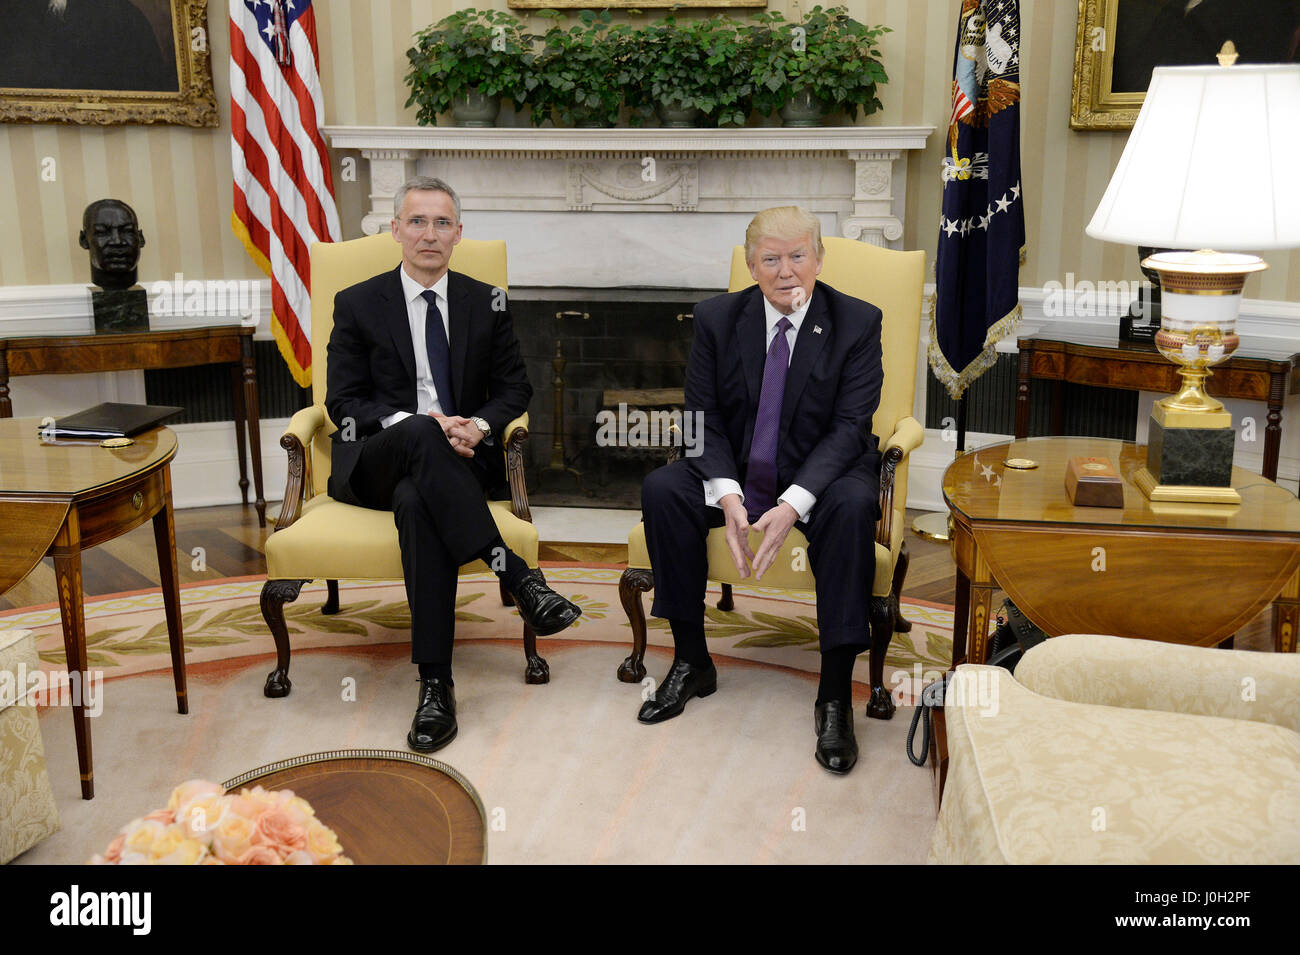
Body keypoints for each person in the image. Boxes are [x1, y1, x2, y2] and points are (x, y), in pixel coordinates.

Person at [325, 175, 581, 753]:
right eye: (417, 221)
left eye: (443, 223)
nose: (429, 234)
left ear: (459, 233)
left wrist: (477, 426)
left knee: (419, 504)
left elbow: (515, 389)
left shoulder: (485, 301)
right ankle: (516, 575)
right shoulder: (359, 302)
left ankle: (435, 686)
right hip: (374, 461)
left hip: (456, 463)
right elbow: (341, 404)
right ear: (395, 230)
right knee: (418, 429)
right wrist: (420, 428)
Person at [636, 206, 884, 775]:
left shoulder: (857, 322)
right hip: (740, 471)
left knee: (850, 507)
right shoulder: (717, 319)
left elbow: (851, 429)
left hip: (823, 472)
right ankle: (692, 662)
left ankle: (834, 695)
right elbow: (701, 416)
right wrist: (727, 496)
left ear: (819, 259)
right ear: (751, 266)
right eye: (770, 259)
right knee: (663, 488)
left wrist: (793, 503)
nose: (786, 270)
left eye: (798, 255)